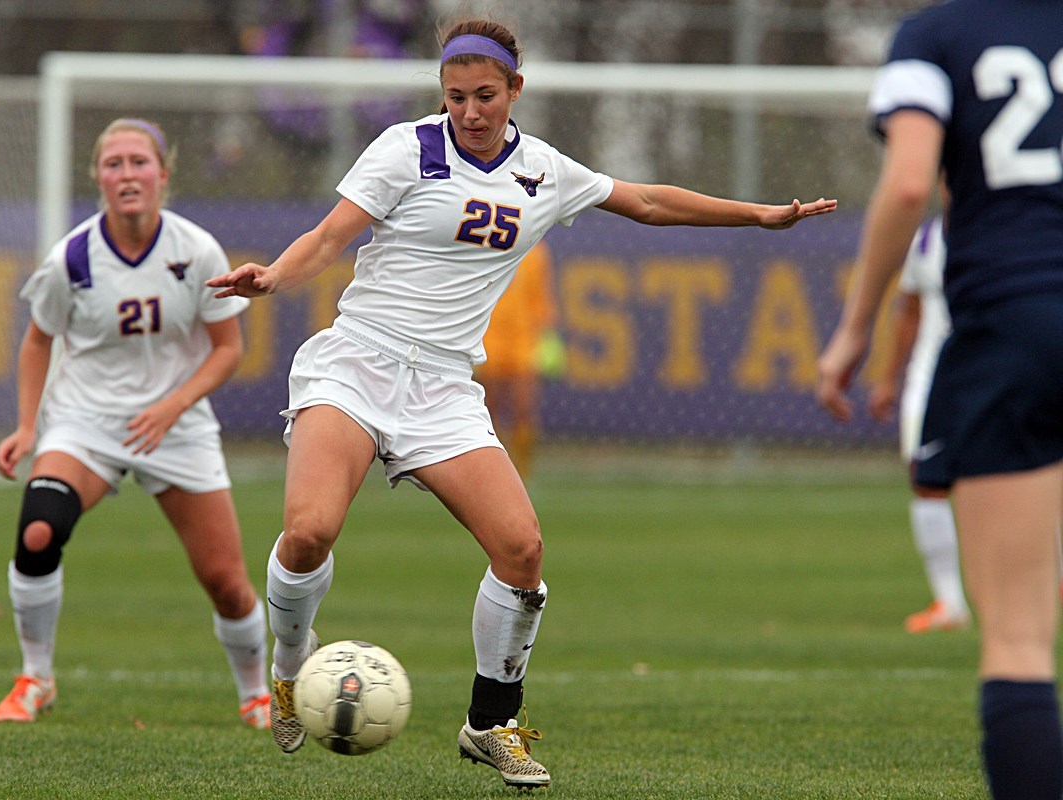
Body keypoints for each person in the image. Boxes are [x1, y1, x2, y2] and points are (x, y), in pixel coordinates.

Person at [209, 16, 835, 789]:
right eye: (455, 96)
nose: (470, 111)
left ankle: (491, 725)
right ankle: (290, 670)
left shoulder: (542, 169)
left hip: (442, 389)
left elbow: (644, 201)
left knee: (522, 550)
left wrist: (761, 216)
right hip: (357, 364)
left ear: (515, 90)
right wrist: (272, 276)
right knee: (307, 532)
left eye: (484, 95)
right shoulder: (405, 150)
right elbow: (330, 237)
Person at [816, 3, 1063, 797]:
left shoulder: (937, 34)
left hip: (1016, 317)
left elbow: (911, 180)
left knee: (1021, 642)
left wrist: (856, 327)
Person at [0, 118, 272, 731]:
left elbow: (228, 348)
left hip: (178, 426)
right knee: (39, 532)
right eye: (113, 163)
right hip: (86, 422)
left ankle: (256, 694)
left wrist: (173, 405)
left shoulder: (196, 251)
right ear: (97, 177)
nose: (126, 174)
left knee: (226, 582)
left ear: (163, 175)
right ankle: (35, 677)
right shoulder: (73, 256)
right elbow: (38, 341)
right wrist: (27, 427)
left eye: (138, 162)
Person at [867, 213, 970, 634]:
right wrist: (889, 379)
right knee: (926, 481)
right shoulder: (927, 239)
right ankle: (949, 602)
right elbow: (909, 310)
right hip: (930, 382)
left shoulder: (1018, 227)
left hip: (997, 373)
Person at [476, 240, 564, 479]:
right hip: (490, 335)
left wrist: (547, 337)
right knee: (487, 408)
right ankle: (489, 469)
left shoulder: (537, 252)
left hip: (524, 339)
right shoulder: (485, 244)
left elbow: (542, 296)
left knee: (524, 407)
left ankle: (522, 472)